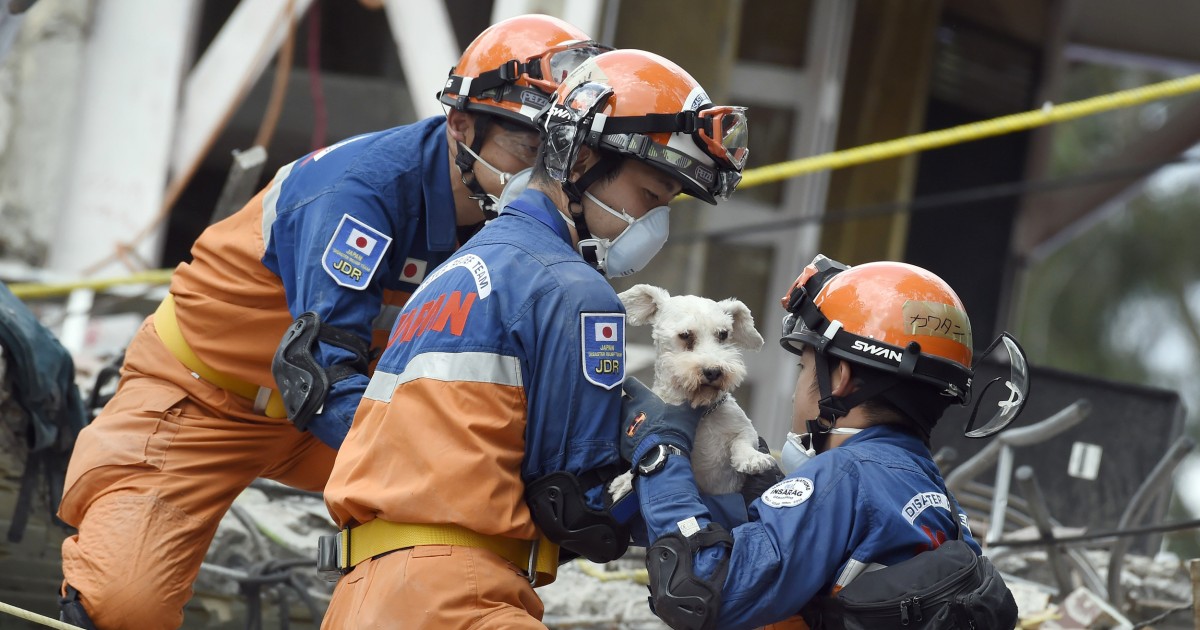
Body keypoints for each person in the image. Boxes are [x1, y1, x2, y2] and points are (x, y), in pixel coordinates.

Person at [55, 14, 609, 629]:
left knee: (474, 517)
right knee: (121, 608)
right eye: (528, 149)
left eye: (558, 156)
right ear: (461, 124)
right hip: (205, 402)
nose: (542, 175)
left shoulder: (527, 226)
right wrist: (422, 460)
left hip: (351, 415)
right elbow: (316, 371)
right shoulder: (358, 192)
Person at [319, 48, 750, 628]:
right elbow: (580, 510)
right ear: (584, 157)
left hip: (365, 593)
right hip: (459, 598)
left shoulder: (456, 270)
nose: (655, 225)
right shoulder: (574, 291)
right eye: (650, 197)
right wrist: (672, 445)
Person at [619, 254, 1027, 629]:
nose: (798, 386)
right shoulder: (931, 490)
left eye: (803, 366)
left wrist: (661, 456)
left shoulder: (840, 479)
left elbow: (700, 592)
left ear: (841, 377)